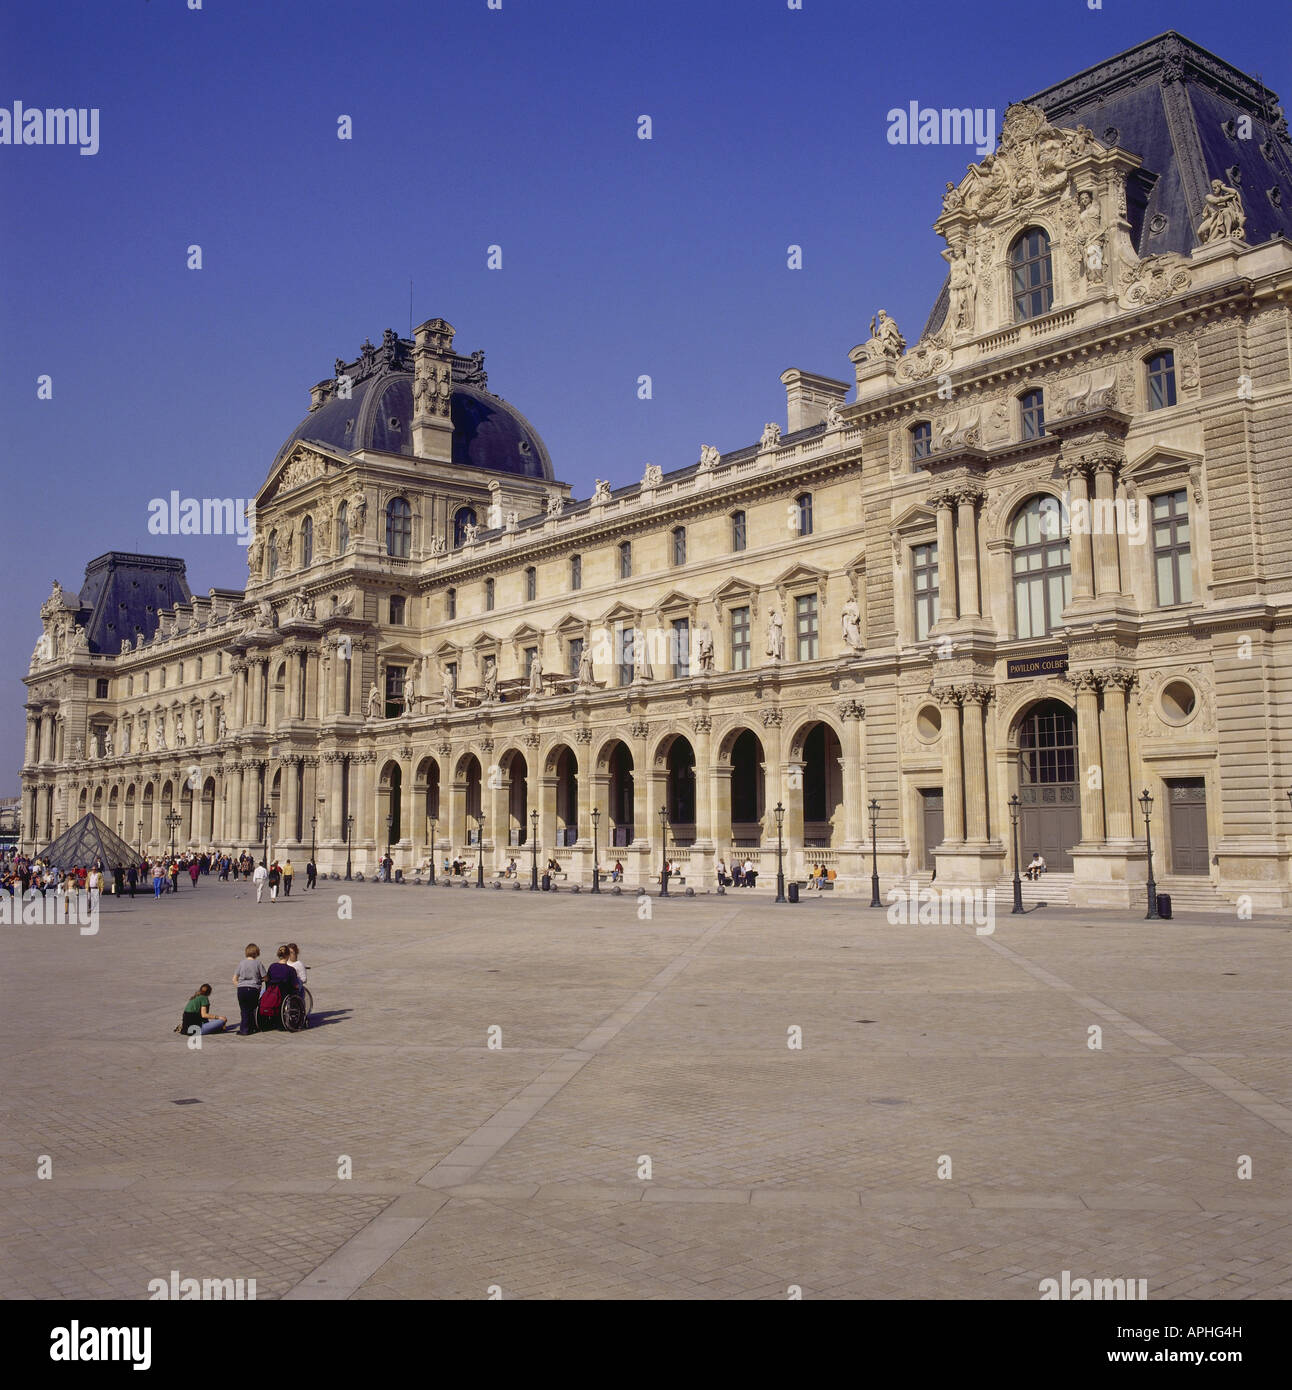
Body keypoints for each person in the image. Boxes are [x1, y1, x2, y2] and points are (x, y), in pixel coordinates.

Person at [232, 945, 266, 1034]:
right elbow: (265, 977)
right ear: (257, 953)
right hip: (253, 989)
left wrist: (239, 986)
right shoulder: (258, 963)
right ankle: (251, 1028)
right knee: (252, 1009)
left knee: (244, 1009)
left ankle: (244, 1029)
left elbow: (234, 979)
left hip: (241, 989)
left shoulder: (241, 963)